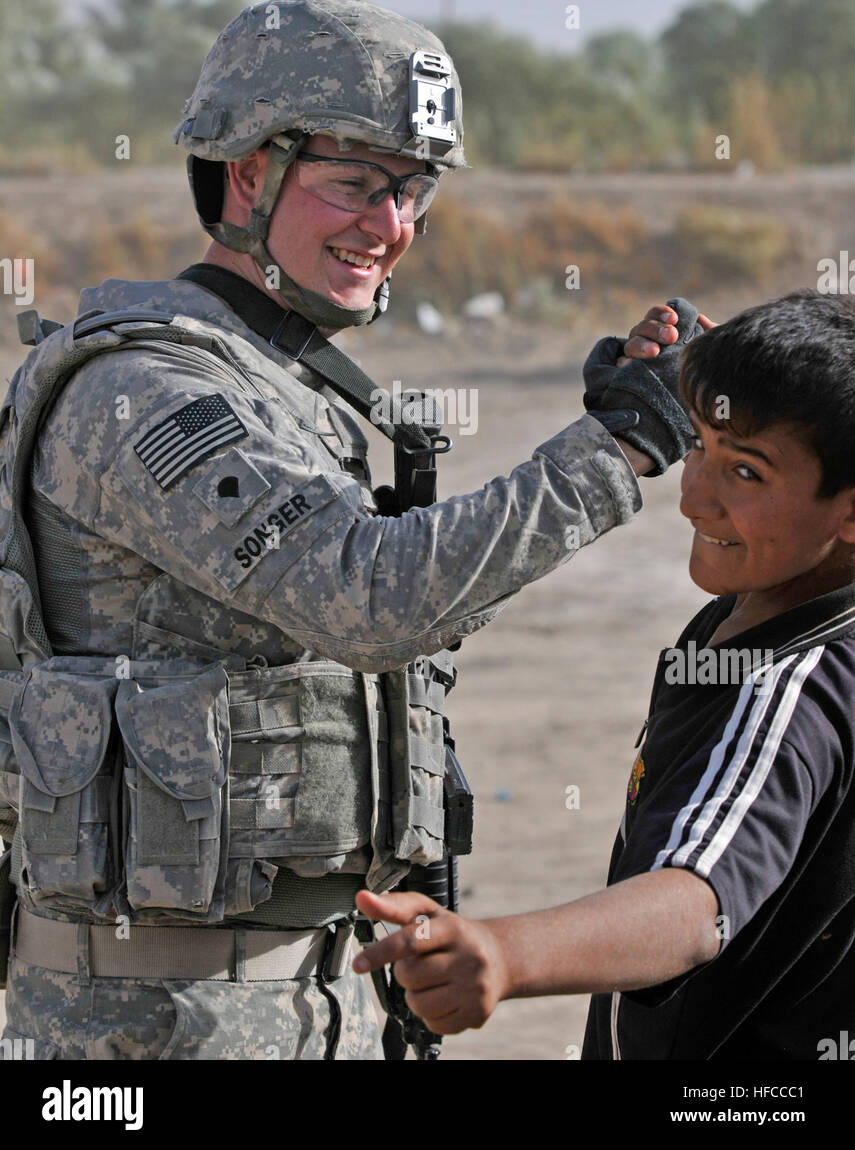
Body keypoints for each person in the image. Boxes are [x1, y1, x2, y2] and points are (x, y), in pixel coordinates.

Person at [0, 0, 701, 1062]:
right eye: (355, 185)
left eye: (412, 191)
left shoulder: (276, 382)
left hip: (310, 1002)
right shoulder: (143, 389)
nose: (391, 226)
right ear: (247, 174)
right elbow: (369, 596)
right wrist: (617, 447)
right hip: (158, 1028)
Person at [355, 289, 855, 1061]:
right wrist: (715, 369)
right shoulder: (772, 616)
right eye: (698, 445)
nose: (693, 497)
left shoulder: (784, 692)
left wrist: (506, 953)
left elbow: (695, 901)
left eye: (745, 472)